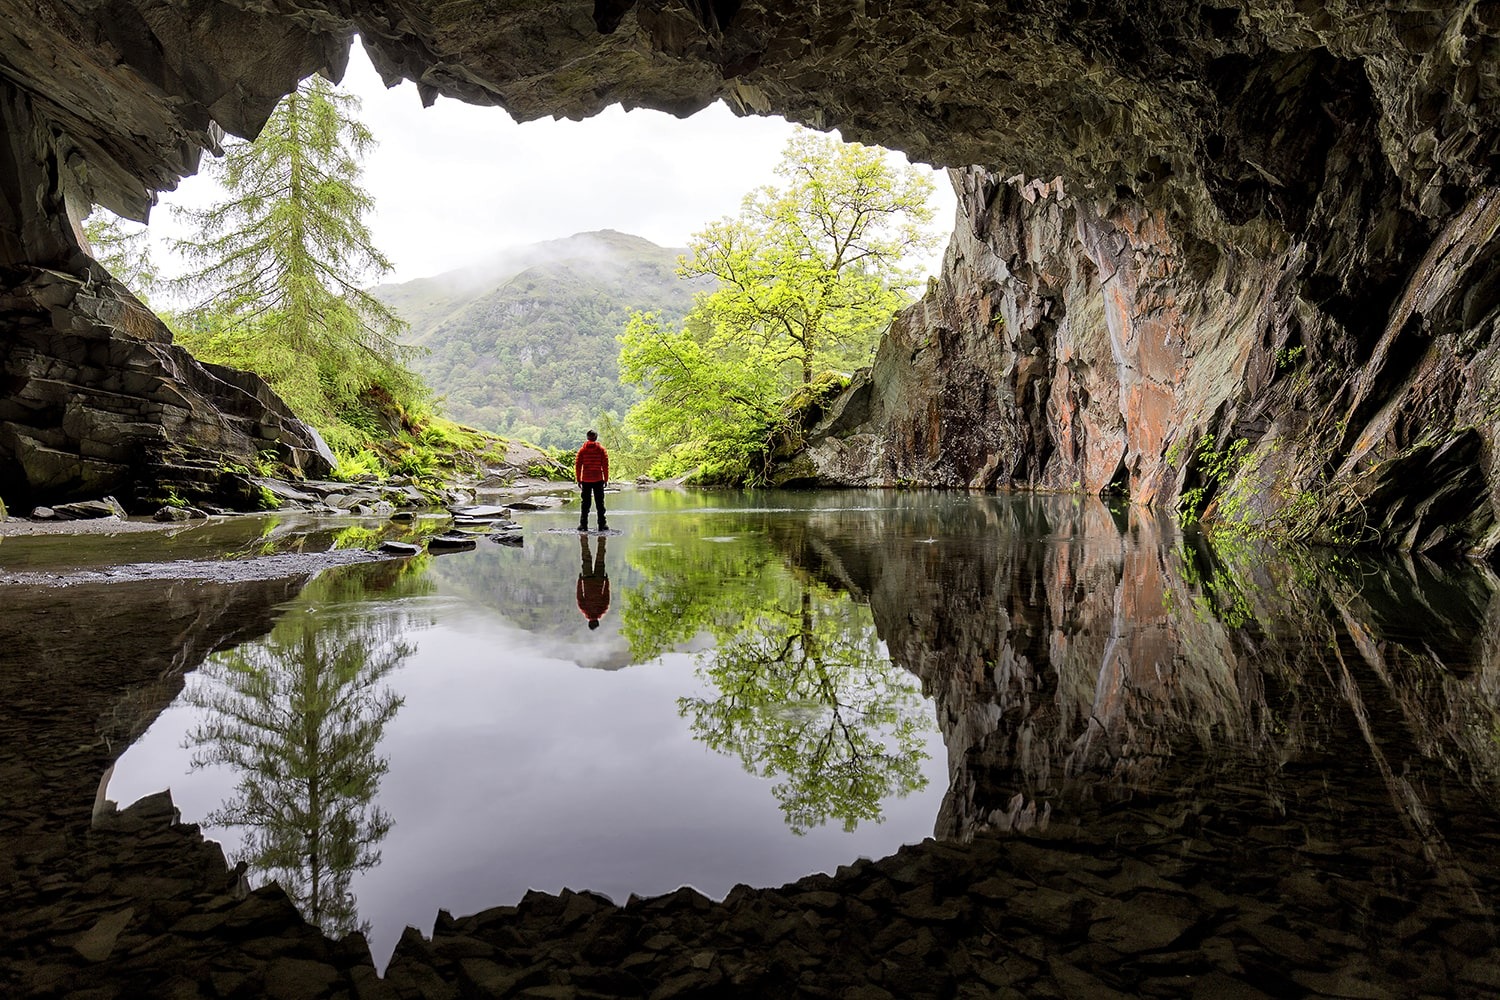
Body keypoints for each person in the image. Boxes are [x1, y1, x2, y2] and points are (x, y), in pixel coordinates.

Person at [575, 429, 609, 532]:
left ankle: (583, 525)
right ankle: (602, 525)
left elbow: (578, 465)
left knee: (585, 503)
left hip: (586, 479)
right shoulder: (601, 450)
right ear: (596, 437)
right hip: (598, 479)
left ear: (587, 437)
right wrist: (606, 479)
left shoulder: (582, 450)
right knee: (600, 503)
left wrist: (579, 479)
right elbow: (605, 465)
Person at [577, 534, 610, 630]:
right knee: (586, 556)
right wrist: (580, 581)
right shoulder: (584, 609)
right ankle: (583, 537)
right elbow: (579, 595)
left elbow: (606, 595)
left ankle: (602, 537)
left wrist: (606, 581)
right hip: (587, 579)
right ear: (589, 622)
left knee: (600, 556)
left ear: (597, 621)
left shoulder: (603, 609)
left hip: (599, 580)